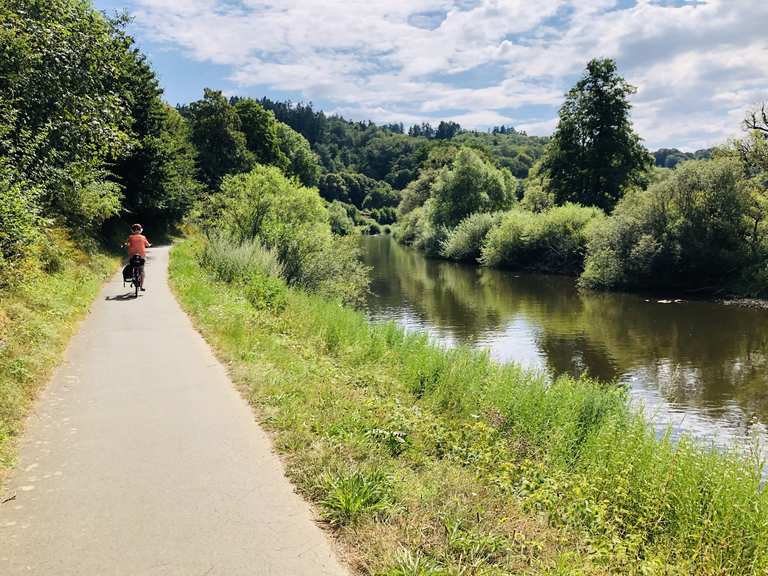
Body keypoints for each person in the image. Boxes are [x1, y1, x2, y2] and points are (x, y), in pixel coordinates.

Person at [124, 224, 152, 290]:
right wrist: (149, 245)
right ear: (140, 230)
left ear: (132, 230)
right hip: (141, 256)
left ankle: (132, 275)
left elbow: (127, 244)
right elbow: (147, 244)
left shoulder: (130, 237)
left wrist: (125, 245)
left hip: (132, 256)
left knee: (130, 265)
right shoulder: (143, 237)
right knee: (142, 270)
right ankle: (141, 286)